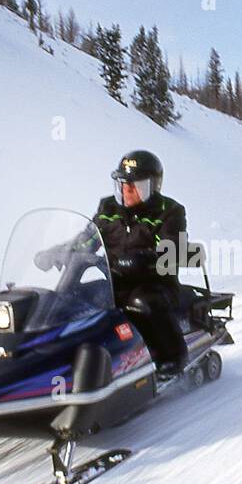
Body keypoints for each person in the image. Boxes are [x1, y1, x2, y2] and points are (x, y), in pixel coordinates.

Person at [92, 150, 188, 378]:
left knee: (142, 302)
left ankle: (172, 358)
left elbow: (173, 251)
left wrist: (141, 259)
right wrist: (62, 251)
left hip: (157, 285)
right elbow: (88, 237)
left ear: (153, 186)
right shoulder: (108, 209)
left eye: (136, 185)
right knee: (80, 298)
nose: (128, 190)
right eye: (123, 184)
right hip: (116, 282)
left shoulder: (169, 211)